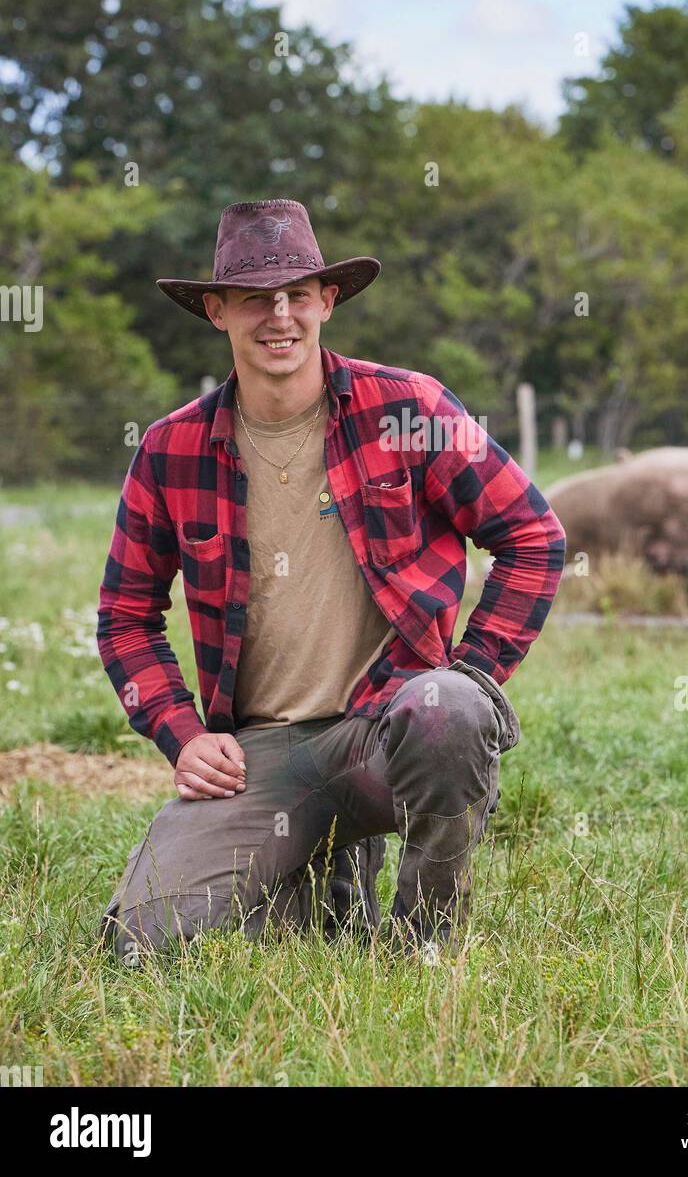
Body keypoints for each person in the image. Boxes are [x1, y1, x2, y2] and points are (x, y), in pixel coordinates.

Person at [96, 198, 566, 963]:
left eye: (297, 295)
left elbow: (533, 535)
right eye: (254, 298)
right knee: (141, 946)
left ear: (327, 300)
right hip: (261, 750)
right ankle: (320, 874)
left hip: (389, 729)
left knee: (448, 709)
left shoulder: (410, 408)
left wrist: (475, 675)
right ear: (216, 310)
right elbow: (124, 619)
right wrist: (183, 737)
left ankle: (423, 943)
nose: (278, 316)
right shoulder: (168, 448)